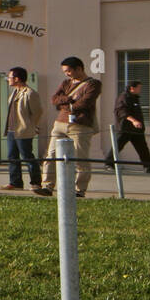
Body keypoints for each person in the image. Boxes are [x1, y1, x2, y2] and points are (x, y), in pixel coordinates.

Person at [35, 56, 102, 198]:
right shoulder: (66, 83)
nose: (66, 74)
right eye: (64, 71)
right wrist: (69, 100)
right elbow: (54, 99)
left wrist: (65, 104)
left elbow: (85, 103)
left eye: (68, 71)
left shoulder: (93, 84)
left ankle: (79, 189)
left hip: (80, 125)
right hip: (60, 123)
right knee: (51, 155)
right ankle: (47, 186)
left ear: (79, 68)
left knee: (80, 158)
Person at [104, 82, 150, 174]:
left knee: (142, 148)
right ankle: (109, 164)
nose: (140, 90)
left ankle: (148, 166)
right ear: (132, 88)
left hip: (136, 130)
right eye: (138, 88)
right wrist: (133, 121)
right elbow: (122, 112)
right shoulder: (124, 97)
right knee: (118, 146)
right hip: (125, 128)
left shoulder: (135, 98)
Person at [1, 67, 43, 191]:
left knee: (27, 156)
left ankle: (36, 183)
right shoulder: (13, 92)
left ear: (17, 79)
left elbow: (38, 112)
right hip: (11, 130)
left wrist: (30, 126)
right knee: (12, 157)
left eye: (10, 77)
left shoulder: (30, 93)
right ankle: (15, 183)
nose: (8, 80)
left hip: (23, 131)